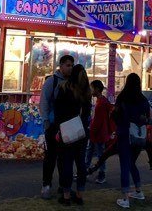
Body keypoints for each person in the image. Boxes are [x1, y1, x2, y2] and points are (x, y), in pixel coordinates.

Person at [53, 64, 92, 205]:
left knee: (66, 163)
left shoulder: (64, 88)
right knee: (81, 163)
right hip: (82, 132)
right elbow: (87, 114)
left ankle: (66, 196)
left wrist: (58, 129)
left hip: (66, 131)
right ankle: (80, 195)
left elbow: (58, 111)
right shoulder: (87, 92)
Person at [40, 54, 74, 199]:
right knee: (50, 157)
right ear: (60, 65)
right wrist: (47, 121)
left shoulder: (72, 82)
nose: (70, 68)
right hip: (53, 125)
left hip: (67, 125)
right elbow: (44, 102)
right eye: (67, 65)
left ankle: (63, 185)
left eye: (71, 65)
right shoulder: (52, 82)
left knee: (64, 158)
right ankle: (46, 185)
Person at [114, 73, 150, 209]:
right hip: (139, 136)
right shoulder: (143, 100)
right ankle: (139, 191)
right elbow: (148, 117)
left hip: (125, 134)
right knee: (131, 163)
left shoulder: (122, 98)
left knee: (125, 164)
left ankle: (125, 197)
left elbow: (116, 115)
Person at [87, 80, 115, 184]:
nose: (90, 90)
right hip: (100, 133)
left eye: (92, 88)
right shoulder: (103, 101)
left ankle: (100, 174)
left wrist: (91, 130)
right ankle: (87, 171)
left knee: (98, 154)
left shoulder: (100, 104)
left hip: (98, 133)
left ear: (97, 89)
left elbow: (97, 121)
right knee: (95, 153)